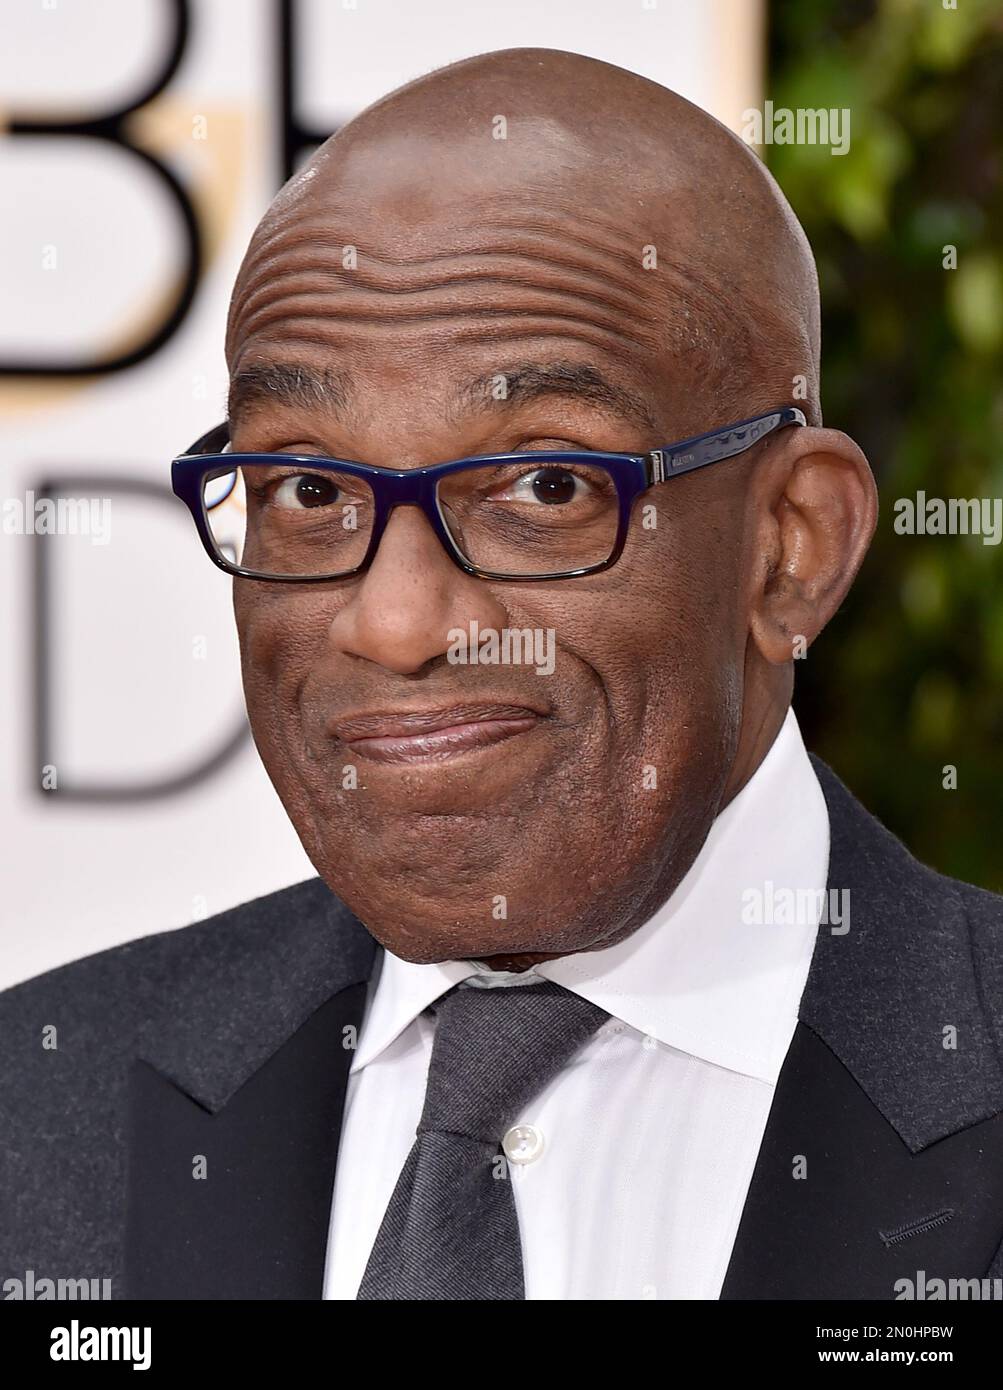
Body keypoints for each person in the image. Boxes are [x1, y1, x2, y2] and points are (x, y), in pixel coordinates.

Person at [3, 47, 1002, 1303]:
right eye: (309, 489)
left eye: (545, 484)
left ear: (789, 546)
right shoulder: (36, 1111)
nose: (397, 621)